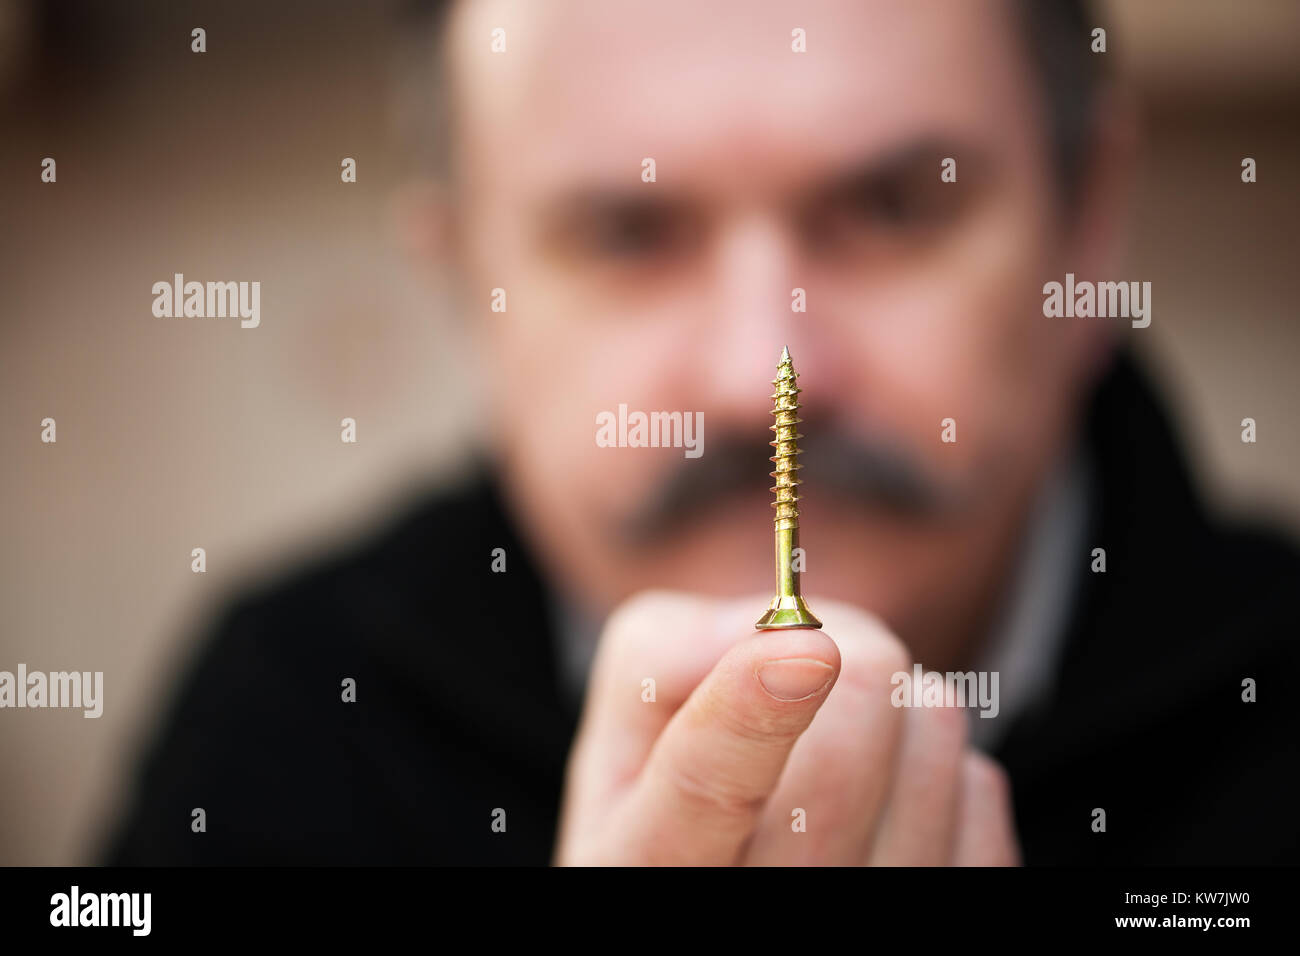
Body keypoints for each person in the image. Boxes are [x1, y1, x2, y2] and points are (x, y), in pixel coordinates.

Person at [102, 0, 1300, 866]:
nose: (753, 375)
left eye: (890, 206)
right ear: (467, 278)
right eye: (627, 232)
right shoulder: (285, 721)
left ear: (1087, 228)